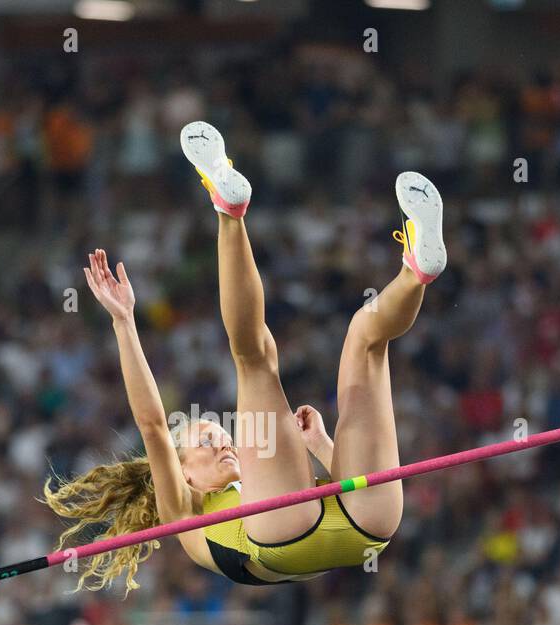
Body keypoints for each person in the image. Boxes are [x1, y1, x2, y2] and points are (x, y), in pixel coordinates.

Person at [44, 122, 447, 592]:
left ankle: (417, 270)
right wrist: (122, 324)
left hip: (361, 526)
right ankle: (229, 213)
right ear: (183, 473)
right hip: (316, 531)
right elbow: (154, 426)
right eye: (208, 440)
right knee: (255, 360)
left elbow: (341, 491)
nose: (225, 443)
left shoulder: (251, 491)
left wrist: (321, 447)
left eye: (216, 436)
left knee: (366, 335)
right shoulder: (184, 512)